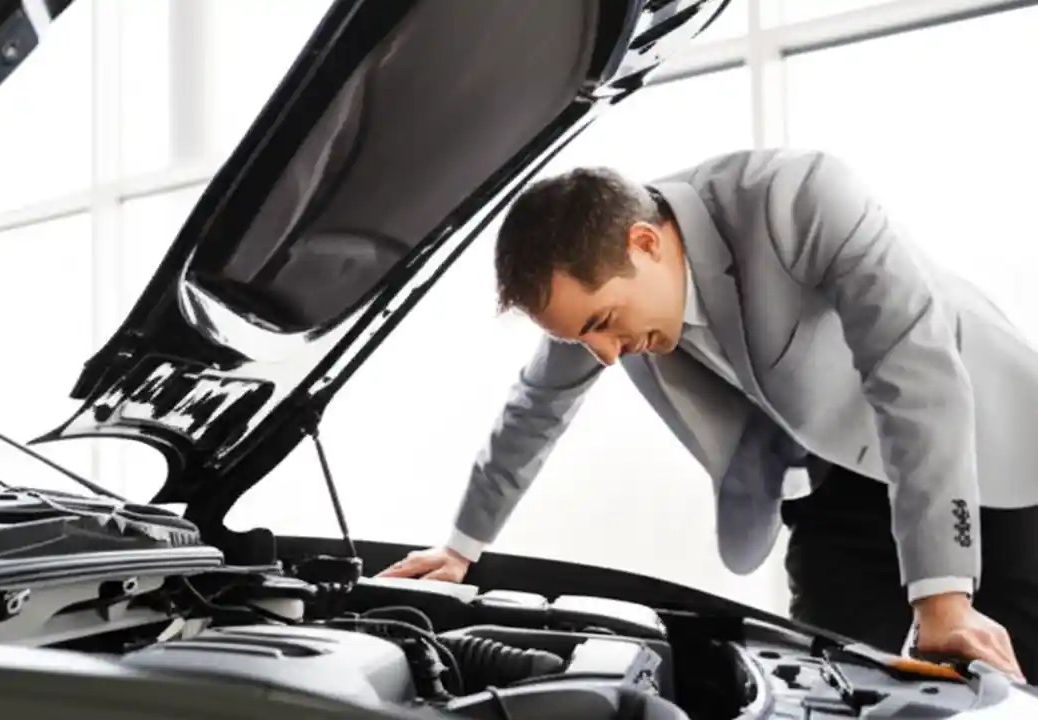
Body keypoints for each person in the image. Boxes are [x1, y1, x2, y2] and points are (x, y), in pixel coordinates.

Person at [377, 148, 1038, 682]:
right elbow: (537, 405)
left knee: (1007, 684)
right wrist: (461, 549)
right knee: (830, 682)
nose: (603, 356)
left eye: (604, 325)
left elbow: (912, 372)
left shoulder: (800, 199)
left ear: (645, 243)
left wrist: (944, 598)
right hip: (836, 476)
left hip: (986, 458)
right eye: (583, 338)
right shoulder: (598, 280)